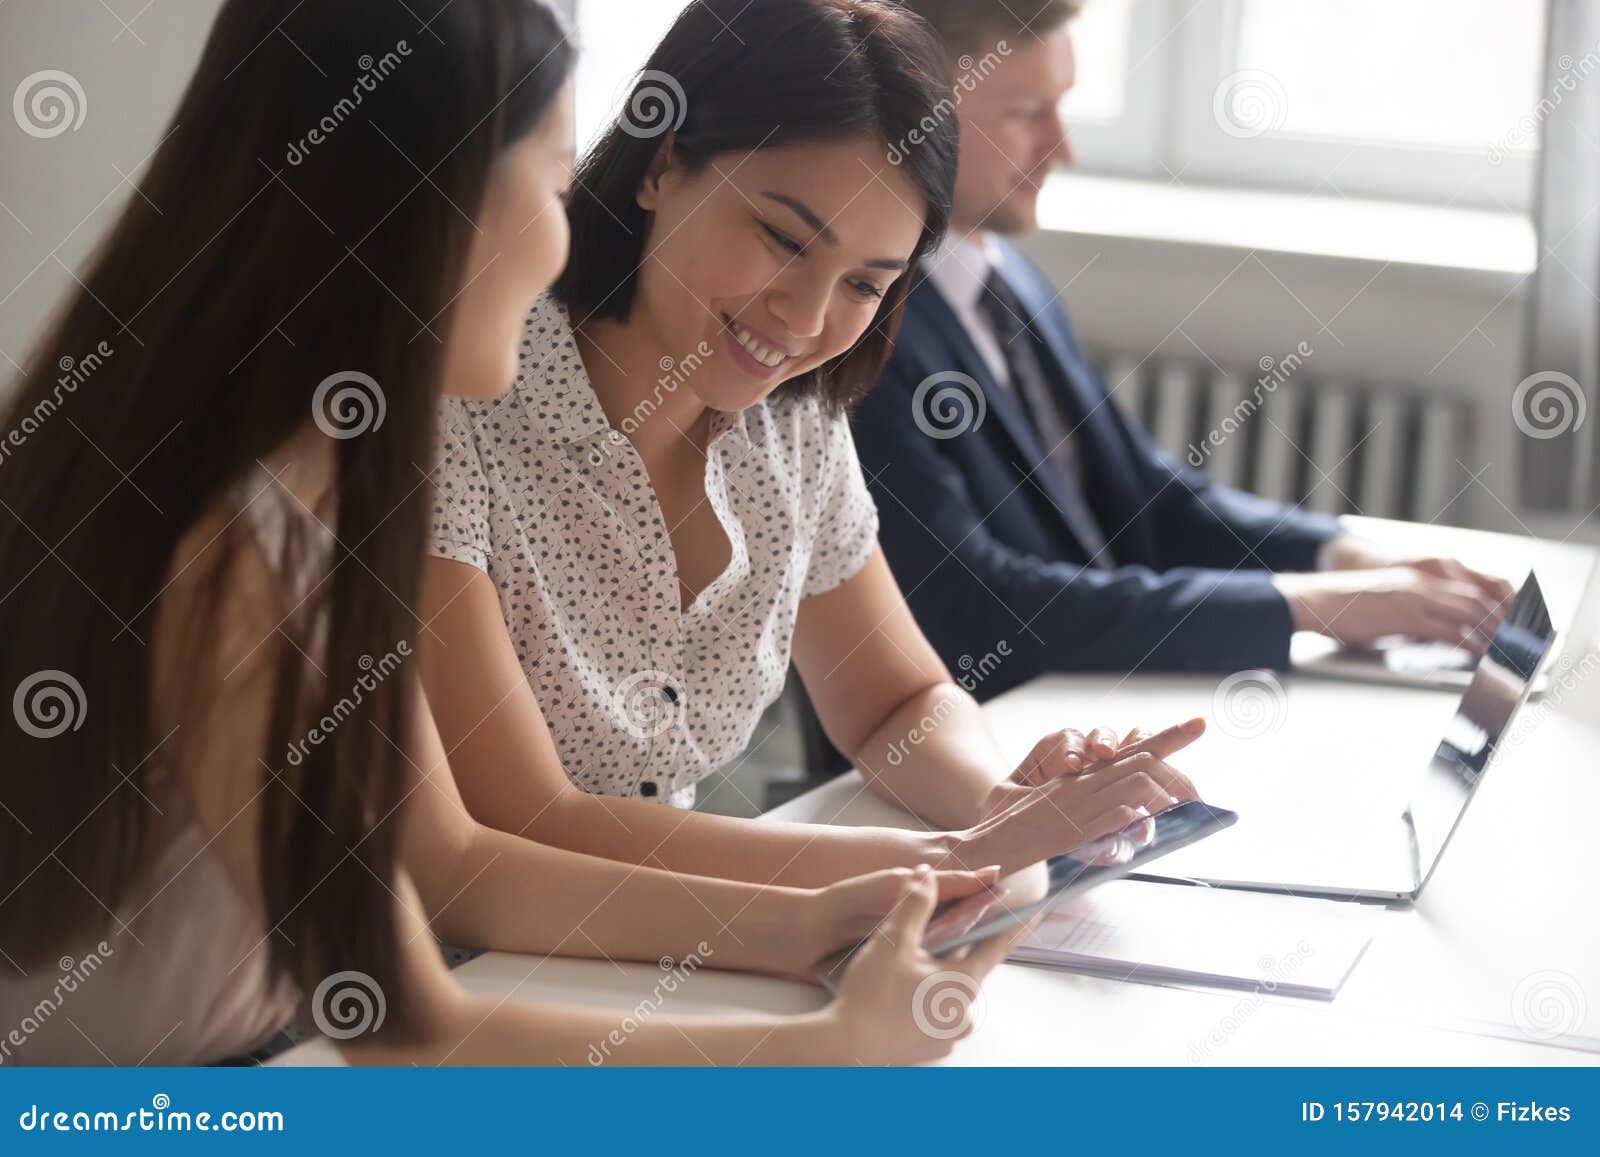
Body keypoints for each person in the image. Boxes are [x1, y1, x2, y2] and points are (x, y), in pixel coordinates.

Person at [0, 0, 1017, 1067]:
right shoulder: (244, 544)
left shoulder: (309, 485)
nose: (565, 235)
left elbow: (447, 852)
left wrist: (811, 923)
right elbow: (409, 1029)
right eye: (550, 177)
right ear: (420, 208)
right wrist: (825, 1049)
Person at [423, 0, 1204, 896]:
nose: (803, 318)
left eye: (865, 284)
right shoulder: (468, 399)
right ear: (663, 159)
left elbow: (894, 702)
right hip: (461, 972)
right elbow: (526, 818)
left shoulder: (790, 420)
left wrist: (1001, 801)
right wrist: (940, 861)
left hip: (657, 951)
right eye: (785, 239)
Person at [849, 0, 1515, 702]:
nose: (1063, 149)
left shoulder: (1005, 277)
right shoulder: (865, 333)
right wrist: (1305, 604)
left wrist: (1345, 558)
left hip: (1092, 702)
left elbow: (1147, 498)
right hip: (975, 745)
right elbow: (980, 615)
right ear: (919, 117)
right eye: (1026, 114)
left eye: (1062, 108)